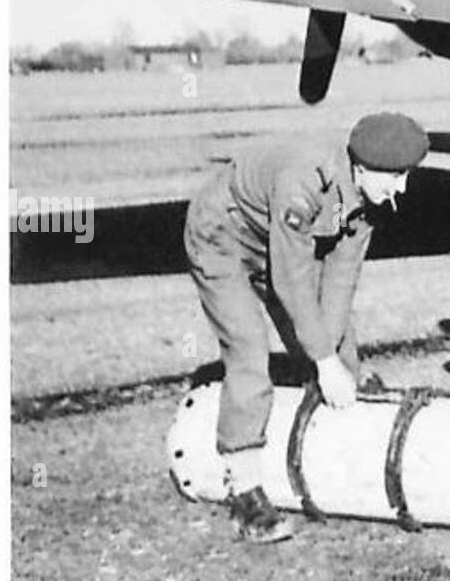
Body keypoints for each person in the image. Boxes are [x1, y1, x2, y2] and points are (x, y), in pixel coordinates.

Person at [183, 112, 429, 542]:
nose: (402, 189)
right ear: (363, 168)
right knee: (247, 347)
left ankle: (333, 442)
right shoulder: (307, 180)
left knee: (337, 354)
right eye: (395, 177)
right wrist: (323, 360)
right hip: (222, 235)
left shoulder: (366, 200)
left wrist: (334, 362)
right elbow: (292, 280)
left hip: (274, 243)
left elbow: (339, 280)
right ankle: (244, 490)